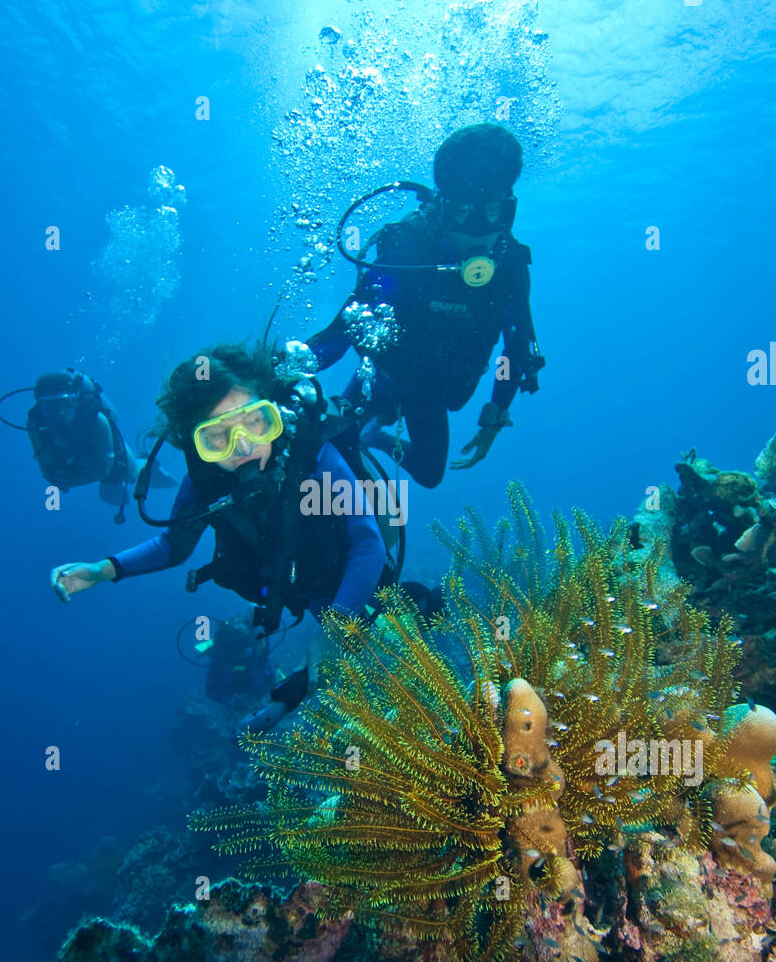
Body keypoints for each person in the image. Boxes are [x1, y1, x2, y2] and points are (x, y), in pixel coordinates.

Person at [50, 343, 393, 733]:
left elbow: (368, 544)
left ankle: (375, 410)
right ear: (197, 446)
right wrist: (102, 570)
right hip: (308, 593)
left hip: (357, 575)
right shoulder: (205, 483)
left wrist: (334, 633)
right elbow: (171, 546)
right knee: (335, 677)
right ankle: (289, 699)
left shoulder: (313, 453)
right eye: (218, 438)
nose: (242, 446)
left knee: (386, 638)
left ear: (274, 413)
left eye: (255, 422)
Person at [307, 122, 545, 488]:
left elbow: (515, 349)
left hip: (434, 390)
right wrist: (289, 370)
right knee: (329, 446)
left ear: (509, 208)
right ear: (442, 206)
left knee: (431, 475)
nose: (478, 230)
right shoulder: (408, 248)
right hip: (385, 376)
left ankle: (376, 437)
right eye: (463, 212)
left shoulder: (510, 266)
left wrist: (495, 414)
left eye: (495, 211)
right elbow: (342, 332)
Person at [0, 369, 176, 522]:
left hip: (109, 451)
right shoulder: (35, 422)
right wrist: (62, 477)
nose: (59, 412)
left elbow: (103, 470)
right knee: (111, 482)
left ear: (74, 401)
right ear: (40, 407)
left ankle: (146, 462)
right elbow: (47, 467)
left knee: (128, 475)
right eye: (50, 406)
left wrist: (69, 480)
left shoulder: (97, 420)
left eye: (64, 403)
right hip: (74, 455)